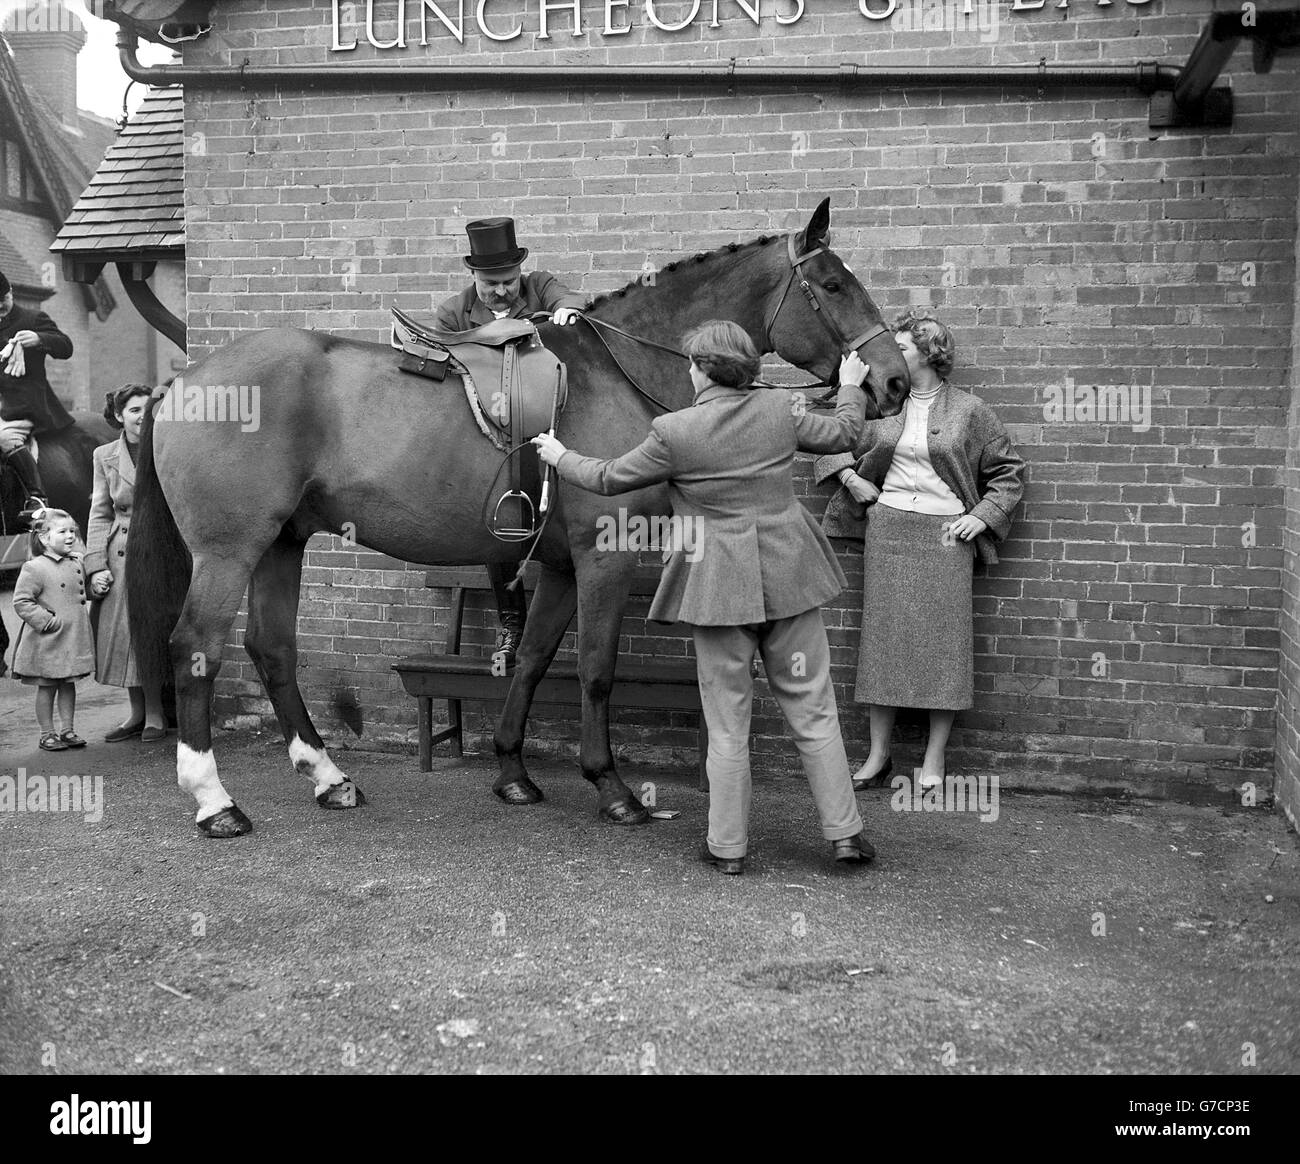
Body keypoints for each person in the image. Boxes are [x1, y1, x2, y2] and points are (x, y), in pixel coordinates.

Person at [535, 320, 876, 875]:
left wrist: (558, 455)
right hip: (791, 578)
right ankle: (845, 836)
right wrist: (854, 386)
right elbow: (844, 436)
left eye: (692, 364)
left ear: (701, 370)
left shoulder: (674, 431)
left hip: (720, 590)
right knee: (815, 711)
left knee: (727, 722)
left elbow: (608, 478)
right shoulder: (780, 411)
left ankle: (728, 847)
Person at [813, 308, 1025, 793]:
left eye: (902, 348)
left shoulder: (969, 411)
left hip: (945, 537)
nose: (892, 356)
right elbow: (828, 440)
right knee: (882, 644)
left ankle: (933, 759)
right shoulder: (880, 405)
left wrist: (981, 516)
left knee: (945, 647)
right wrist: (851, 479)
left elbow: (1009, 474)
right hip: (887, 533)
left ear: (929, 354)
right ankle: (878, 755)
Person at [436, 217, 585, 665]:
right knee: (498, 524)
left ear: (520, 271)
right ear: (473, 277)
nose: (501, 292)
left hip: (547, 417)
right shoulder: (454, 311)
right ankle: (511, 622)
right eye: (490, 284)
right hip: (486, 426)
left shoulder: (539, 285)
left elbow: (571, 298)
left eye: (508, 281)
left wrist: (566, 310)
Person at [86, 385, 168, 742]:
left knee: (151, 628)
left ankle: (156, 715)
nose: (141, 416)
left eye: (146, 408)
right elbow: (99, 512)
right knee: (122, 633)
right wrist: (95, 564)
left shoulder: (165, 446)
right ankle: (135, 713)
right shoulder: (104, 455)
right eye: (134, 410)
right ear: (119, 415)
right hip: (119, 552)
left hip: (159, 549)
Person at [11, 507, 95, 751]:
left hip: (71, 638)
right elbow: (21, 601)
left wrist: (95, 589)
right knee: (47, 687)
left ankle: (67, 729)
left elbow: (78, 591)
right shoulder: (34, 567)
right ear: (44, 538)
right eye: (63, 531)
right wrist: (45, 620)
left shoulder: (76, 562)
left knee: (68, 685)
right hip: (48, 639)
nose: (70, 536)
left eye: (73, 531)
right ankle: (47, 733)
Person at [0, 269, 76, 526]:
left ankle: (37, 497)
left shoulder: (33, 318)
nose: (0, 307)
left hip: (25, 404)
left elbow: (66, 346)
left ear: (10, 293)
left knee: (3, 437)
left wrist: (40, 339)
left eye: (3, 301)